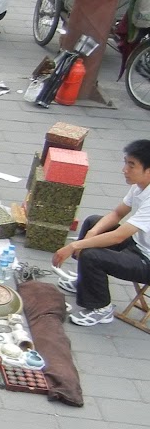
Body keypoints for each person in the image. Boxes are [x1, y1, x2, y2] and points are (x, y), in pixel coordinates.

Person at [55, 139, 150, 328]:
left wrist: (75, 245)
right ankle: (86, 281)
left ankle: (101, 308)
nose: (125, 169)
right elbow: (117, 214)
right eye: (126, 162)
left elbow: (119, 236)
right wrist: (93, 231)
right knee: (94, 222)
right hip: (138, 244)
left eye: (131, 165)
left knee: (92, 254)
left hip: (146, 261)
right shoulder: (139, 187)